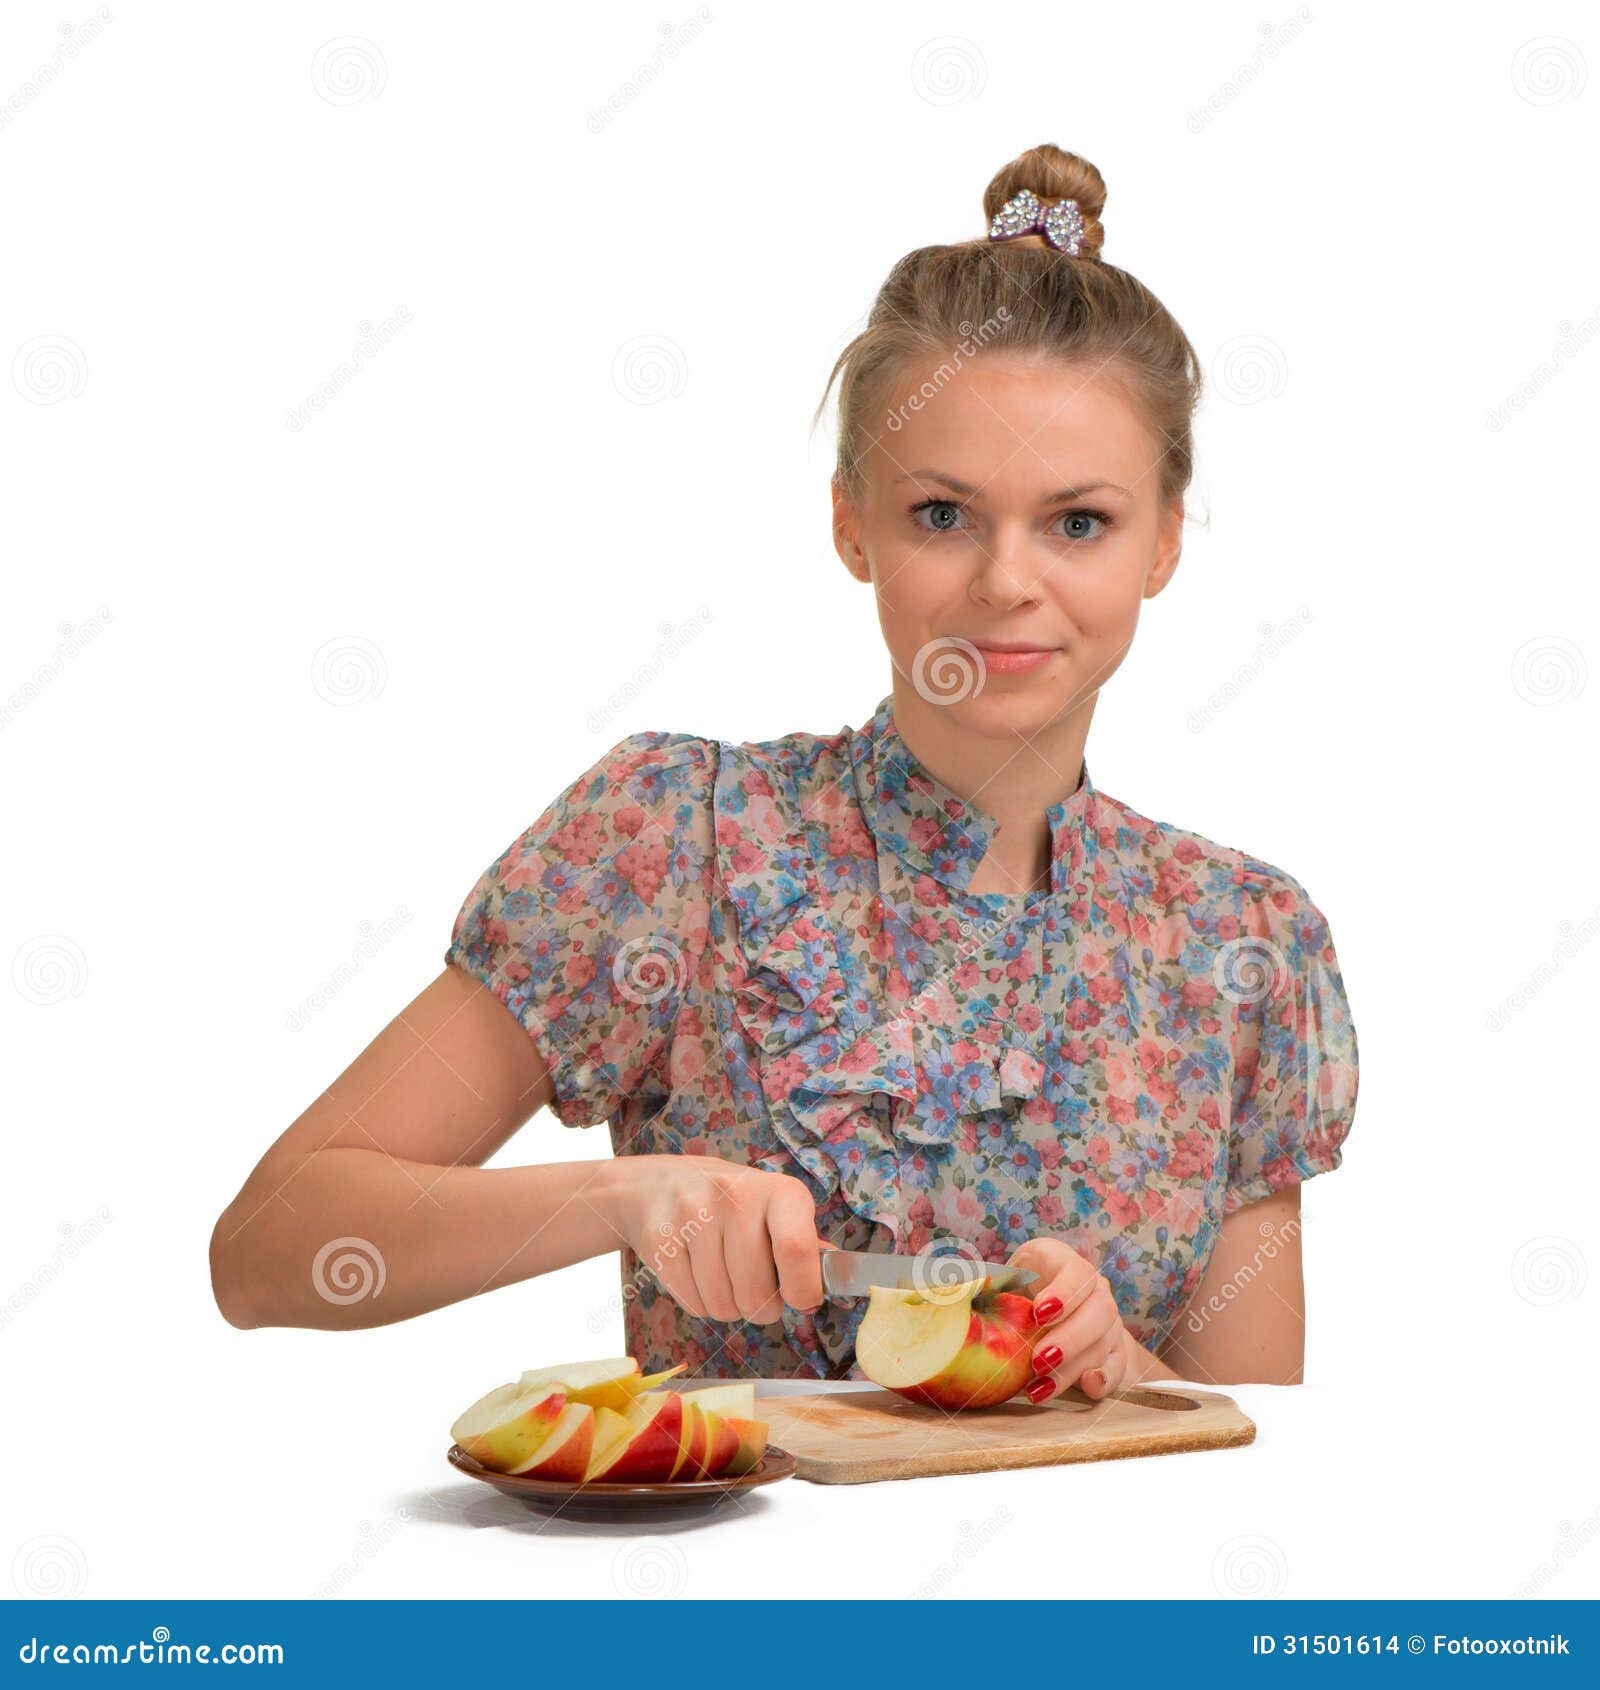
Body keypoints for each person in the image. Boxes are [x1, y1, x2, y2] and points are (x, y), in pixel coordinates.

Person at [210, 143, 1359, 1400]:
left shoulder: (1245, 942)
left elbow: (1251, 1447)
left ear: (1162, 544)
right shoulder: (673, 836)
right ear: (849, 524)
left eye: (1077, 520)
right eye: (942, 514)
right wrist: (622, 1195)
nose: (1007, 580)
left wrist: (1115, 1361)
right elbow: (268, 1249)